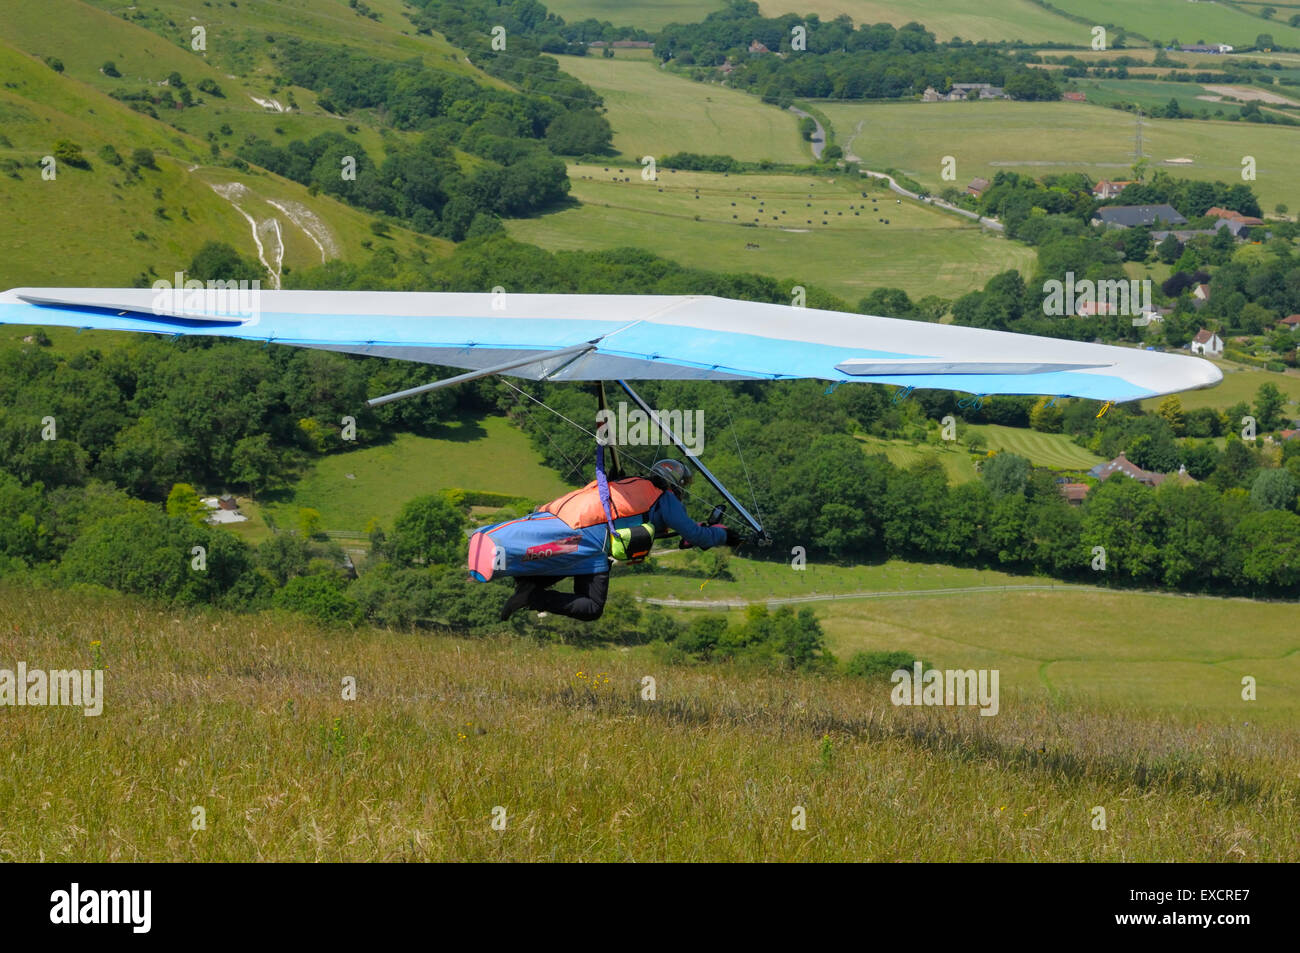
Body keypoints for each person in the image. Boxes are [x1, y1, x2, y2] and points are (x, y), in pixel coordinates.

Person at [500, 459, 741, 622]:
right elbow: (695, 535)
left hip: (575, 533)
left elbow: (644, 522)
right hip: (594, 545)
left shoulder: (631, 485)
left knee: (570, 559)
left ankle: (529, 582)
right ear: (674, 484)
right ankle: (531, 596)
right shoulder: (665, 498)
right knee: (592, 607)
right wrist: (725, 535)